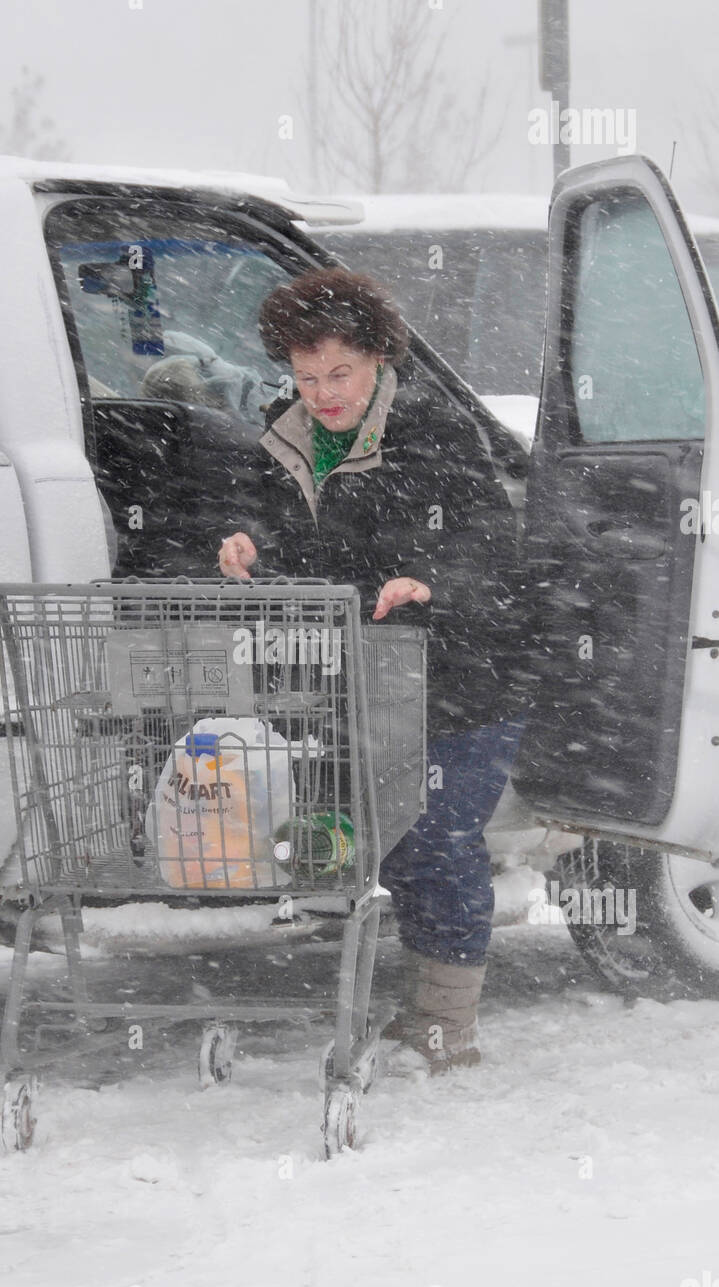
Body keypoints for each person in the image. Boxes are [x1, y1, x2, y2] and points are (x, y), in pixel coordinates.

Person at [218, 267, 528, 1074]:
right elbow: (272, 527)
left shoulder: (432, 432)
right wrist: (246, 541)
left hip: (462, 680)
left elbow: (489, 539)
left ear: (378, 361)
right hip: (362, 682)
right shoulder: (283, 439)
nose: (322, 393)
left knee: (439, 838)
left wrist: (434, 584)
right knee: (390, 847)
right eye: (307, 376)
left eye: (340, 374)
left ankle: (444, 1025)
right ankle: (420, 999)